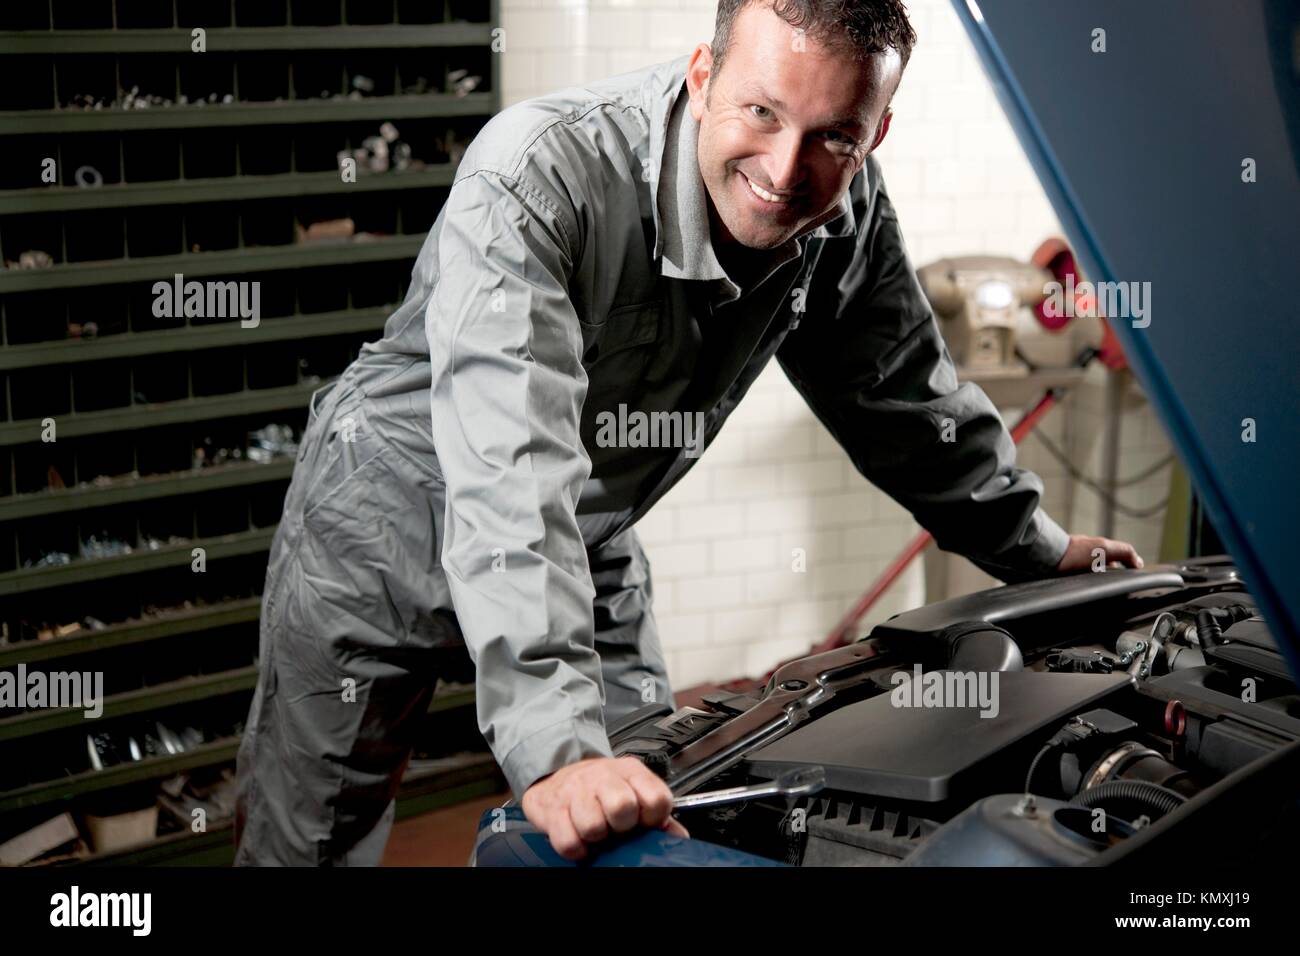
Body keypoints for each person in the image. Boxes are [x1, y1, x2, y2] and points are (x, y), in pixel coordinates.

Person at [234, 0, 1142, 866]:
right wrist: (559, 752)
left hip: (581, 528)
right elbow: (510, 469)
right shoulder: (537, 176)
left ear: (875, 135)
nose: (786, 171)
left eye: (833, 136)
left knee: (662, 796)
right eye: (760, 110)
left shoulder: (841, 212)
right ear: (703, 75)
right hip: (382, 525)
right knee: (312, 836)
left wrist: (1040, 551)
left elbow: (905, 400)